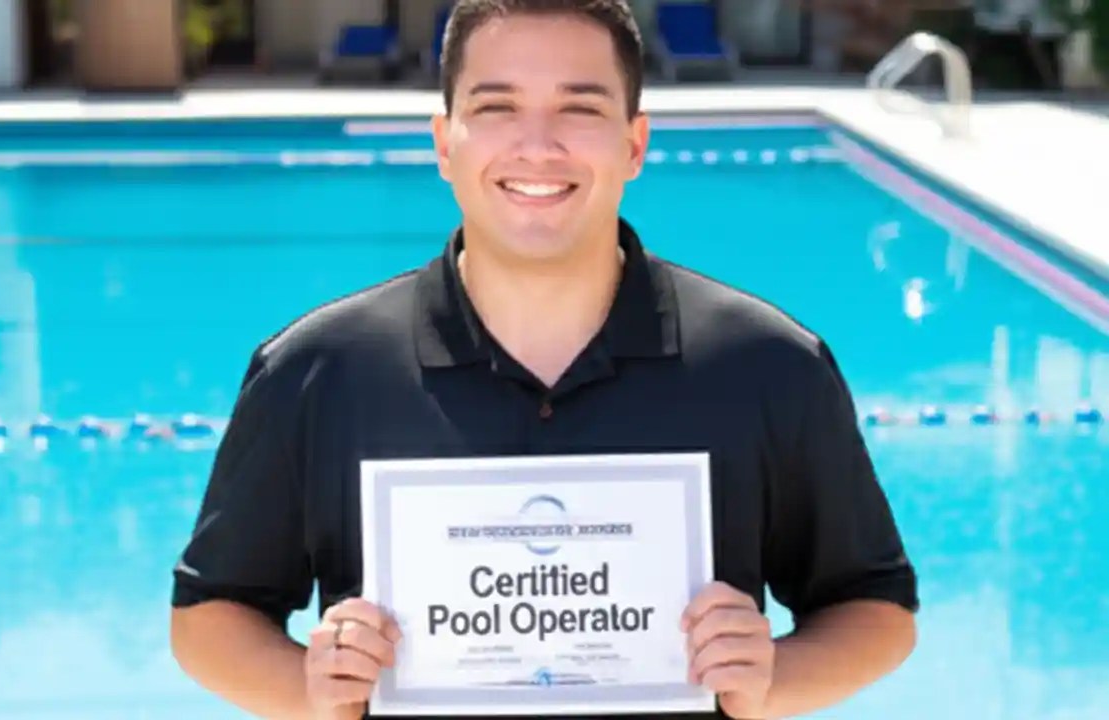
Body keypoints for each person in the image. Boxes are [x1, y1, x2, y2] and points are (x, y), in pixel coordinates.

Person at [169, 1, 920, 718]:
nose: (538, 145)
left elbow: (876, 604)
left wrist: (774, 681)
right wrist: (309, 693)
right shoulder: (316, 371)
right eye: (496, 108)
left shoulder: (768, 364)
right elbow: (210, 616)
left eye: (581, 108)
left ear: (634, 143)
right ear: (444, 141)